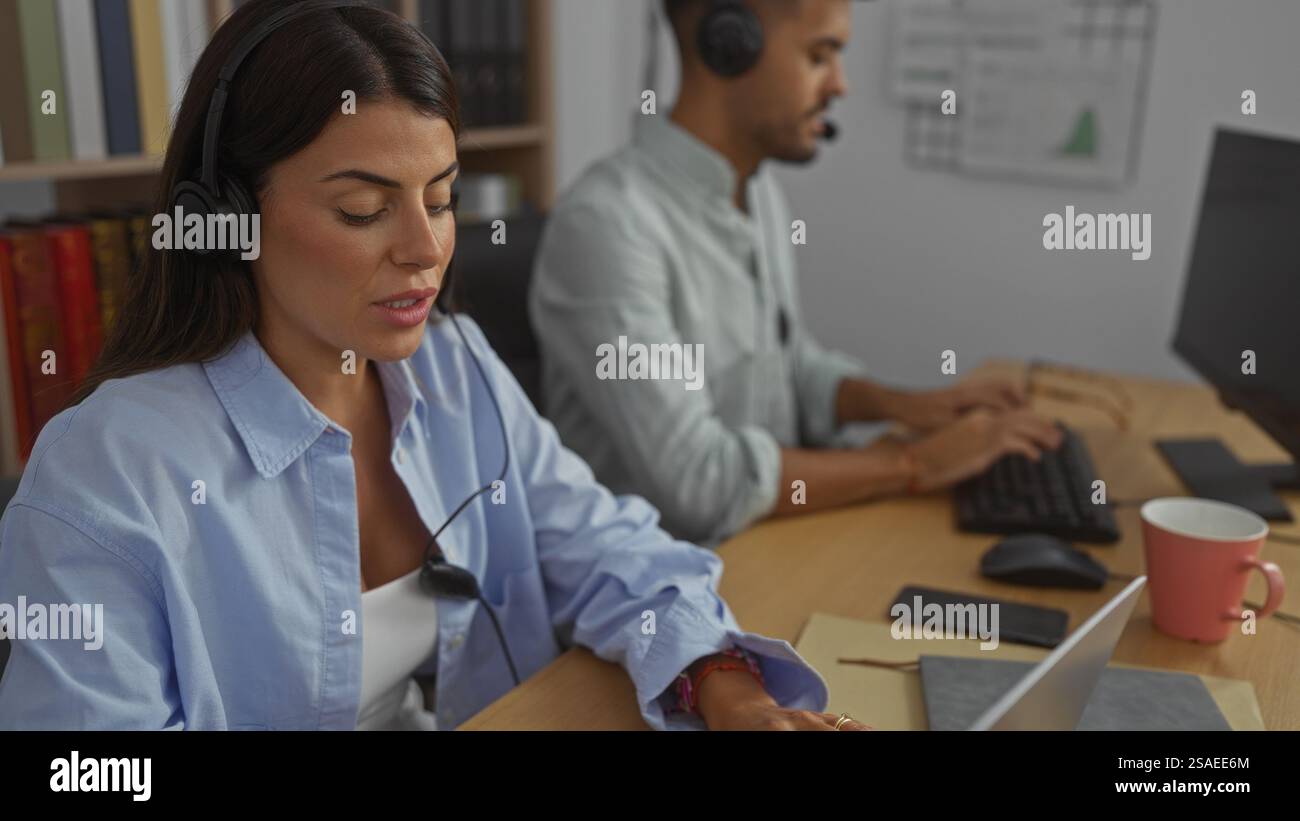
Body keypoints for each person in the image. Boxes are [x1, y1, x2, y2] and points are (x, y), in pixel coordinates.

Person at [0, 0, 863, 732]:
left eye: (442, 199)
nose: (426, 250)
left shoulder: (457, 369)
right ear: (228, 217)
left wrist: (720, 681)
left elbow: (606, 543)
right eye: (363, 208)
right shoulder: (106, 475)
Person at [530, 0, 1063, 545]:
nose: (840, 86)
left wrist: (903, 404)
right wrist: (912, 464)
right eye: (820, 55)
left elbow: (785, 367)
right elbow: (699, 482)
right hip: (657, 592)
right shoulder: (607, 225)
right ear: (729, 45)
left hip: (770, 543)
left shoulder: (759, 193)